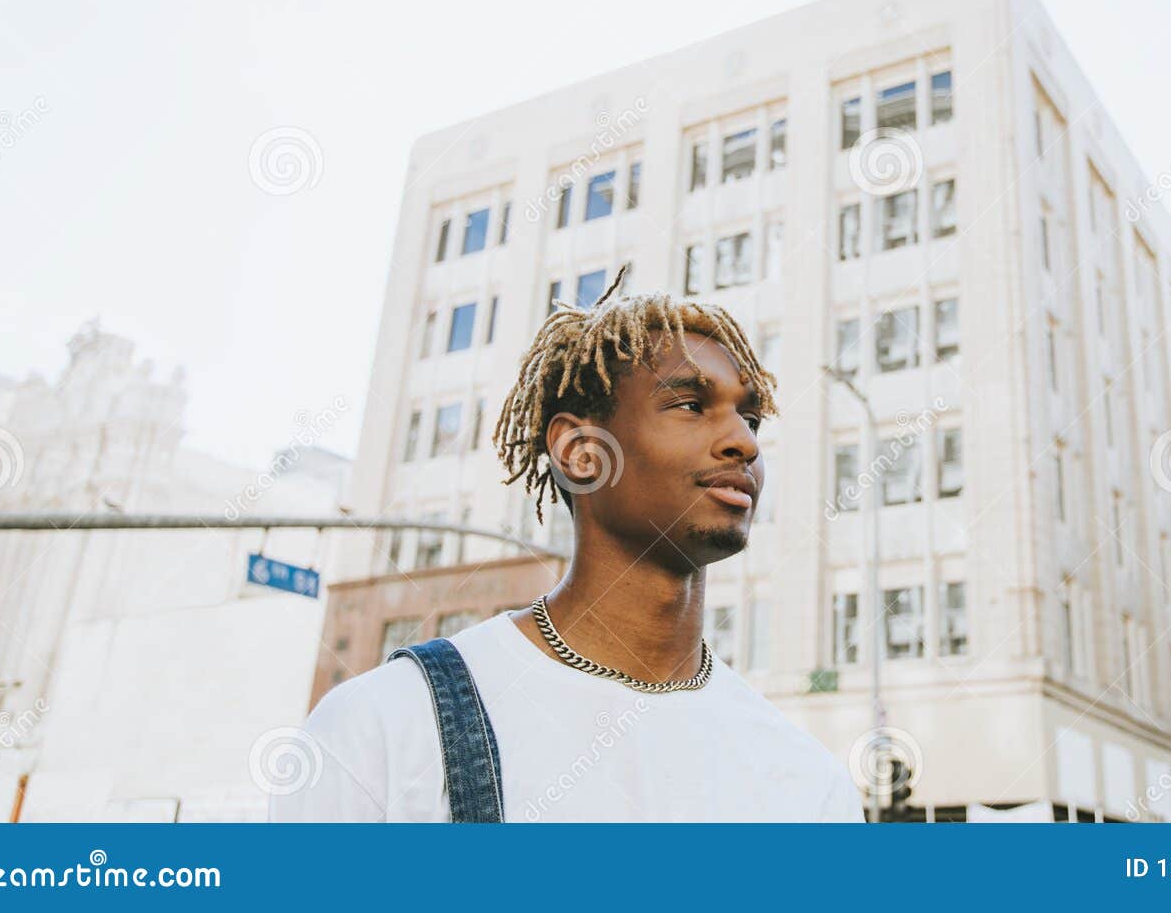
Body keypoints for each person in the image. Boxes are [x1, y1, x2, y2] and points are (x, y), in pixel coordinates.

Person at [271, 267, 865, 822]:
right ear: (581, 453)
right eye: (690, 405)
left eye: (752, 419)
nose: (744, 442)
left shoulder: (810, 787)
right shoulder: (386, 730)